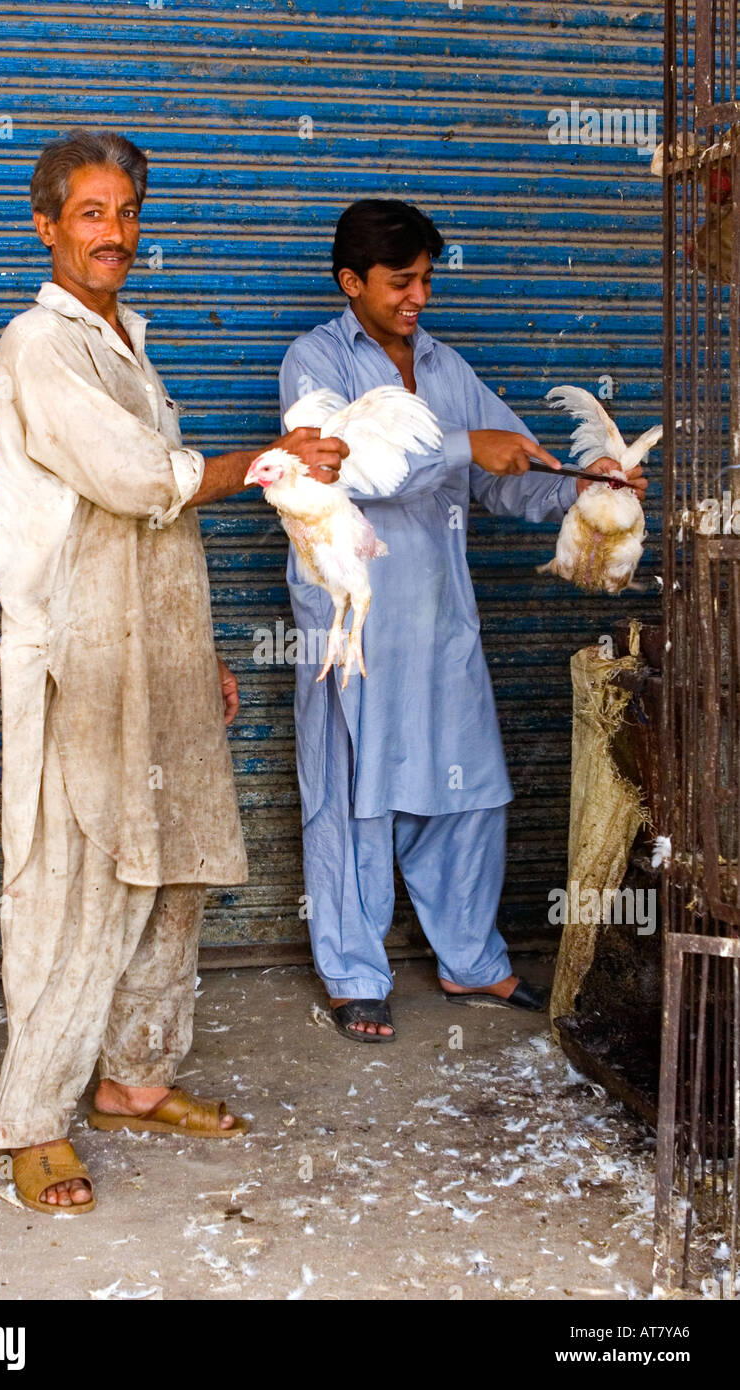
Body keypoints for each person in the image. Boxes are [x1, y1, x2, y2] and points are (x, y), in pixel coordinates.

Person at [0, 127, 347, 1211]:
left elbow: (158, 527)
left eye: (127, 212)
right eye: (91, 213)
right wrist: (271, 462)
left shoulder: (125, 345)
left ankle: (135, 1079)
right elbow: (137, 479)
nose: (114, 234)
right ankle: (32, 1119)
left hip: (160, 652)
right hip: (85, 661)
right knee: (84, 881)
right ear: (45, 223)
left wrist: (203, 655)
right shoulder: (38, 346)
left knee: (179, 865)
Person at [278, 199, 647, 1043]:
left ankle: (471, 962)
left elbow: (511, 472)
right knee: (351, 797)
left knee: (467, 793)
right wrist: (460, 447)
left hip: (441, 623)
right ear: (351, 282)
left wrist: (587, 486)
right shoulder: (313, 363)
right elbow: (340, 471)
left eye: (426, 280)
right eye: (400, 281)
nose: (418, 297)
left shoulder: (447, 367)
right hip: (354, 625)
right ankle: (354, 973)